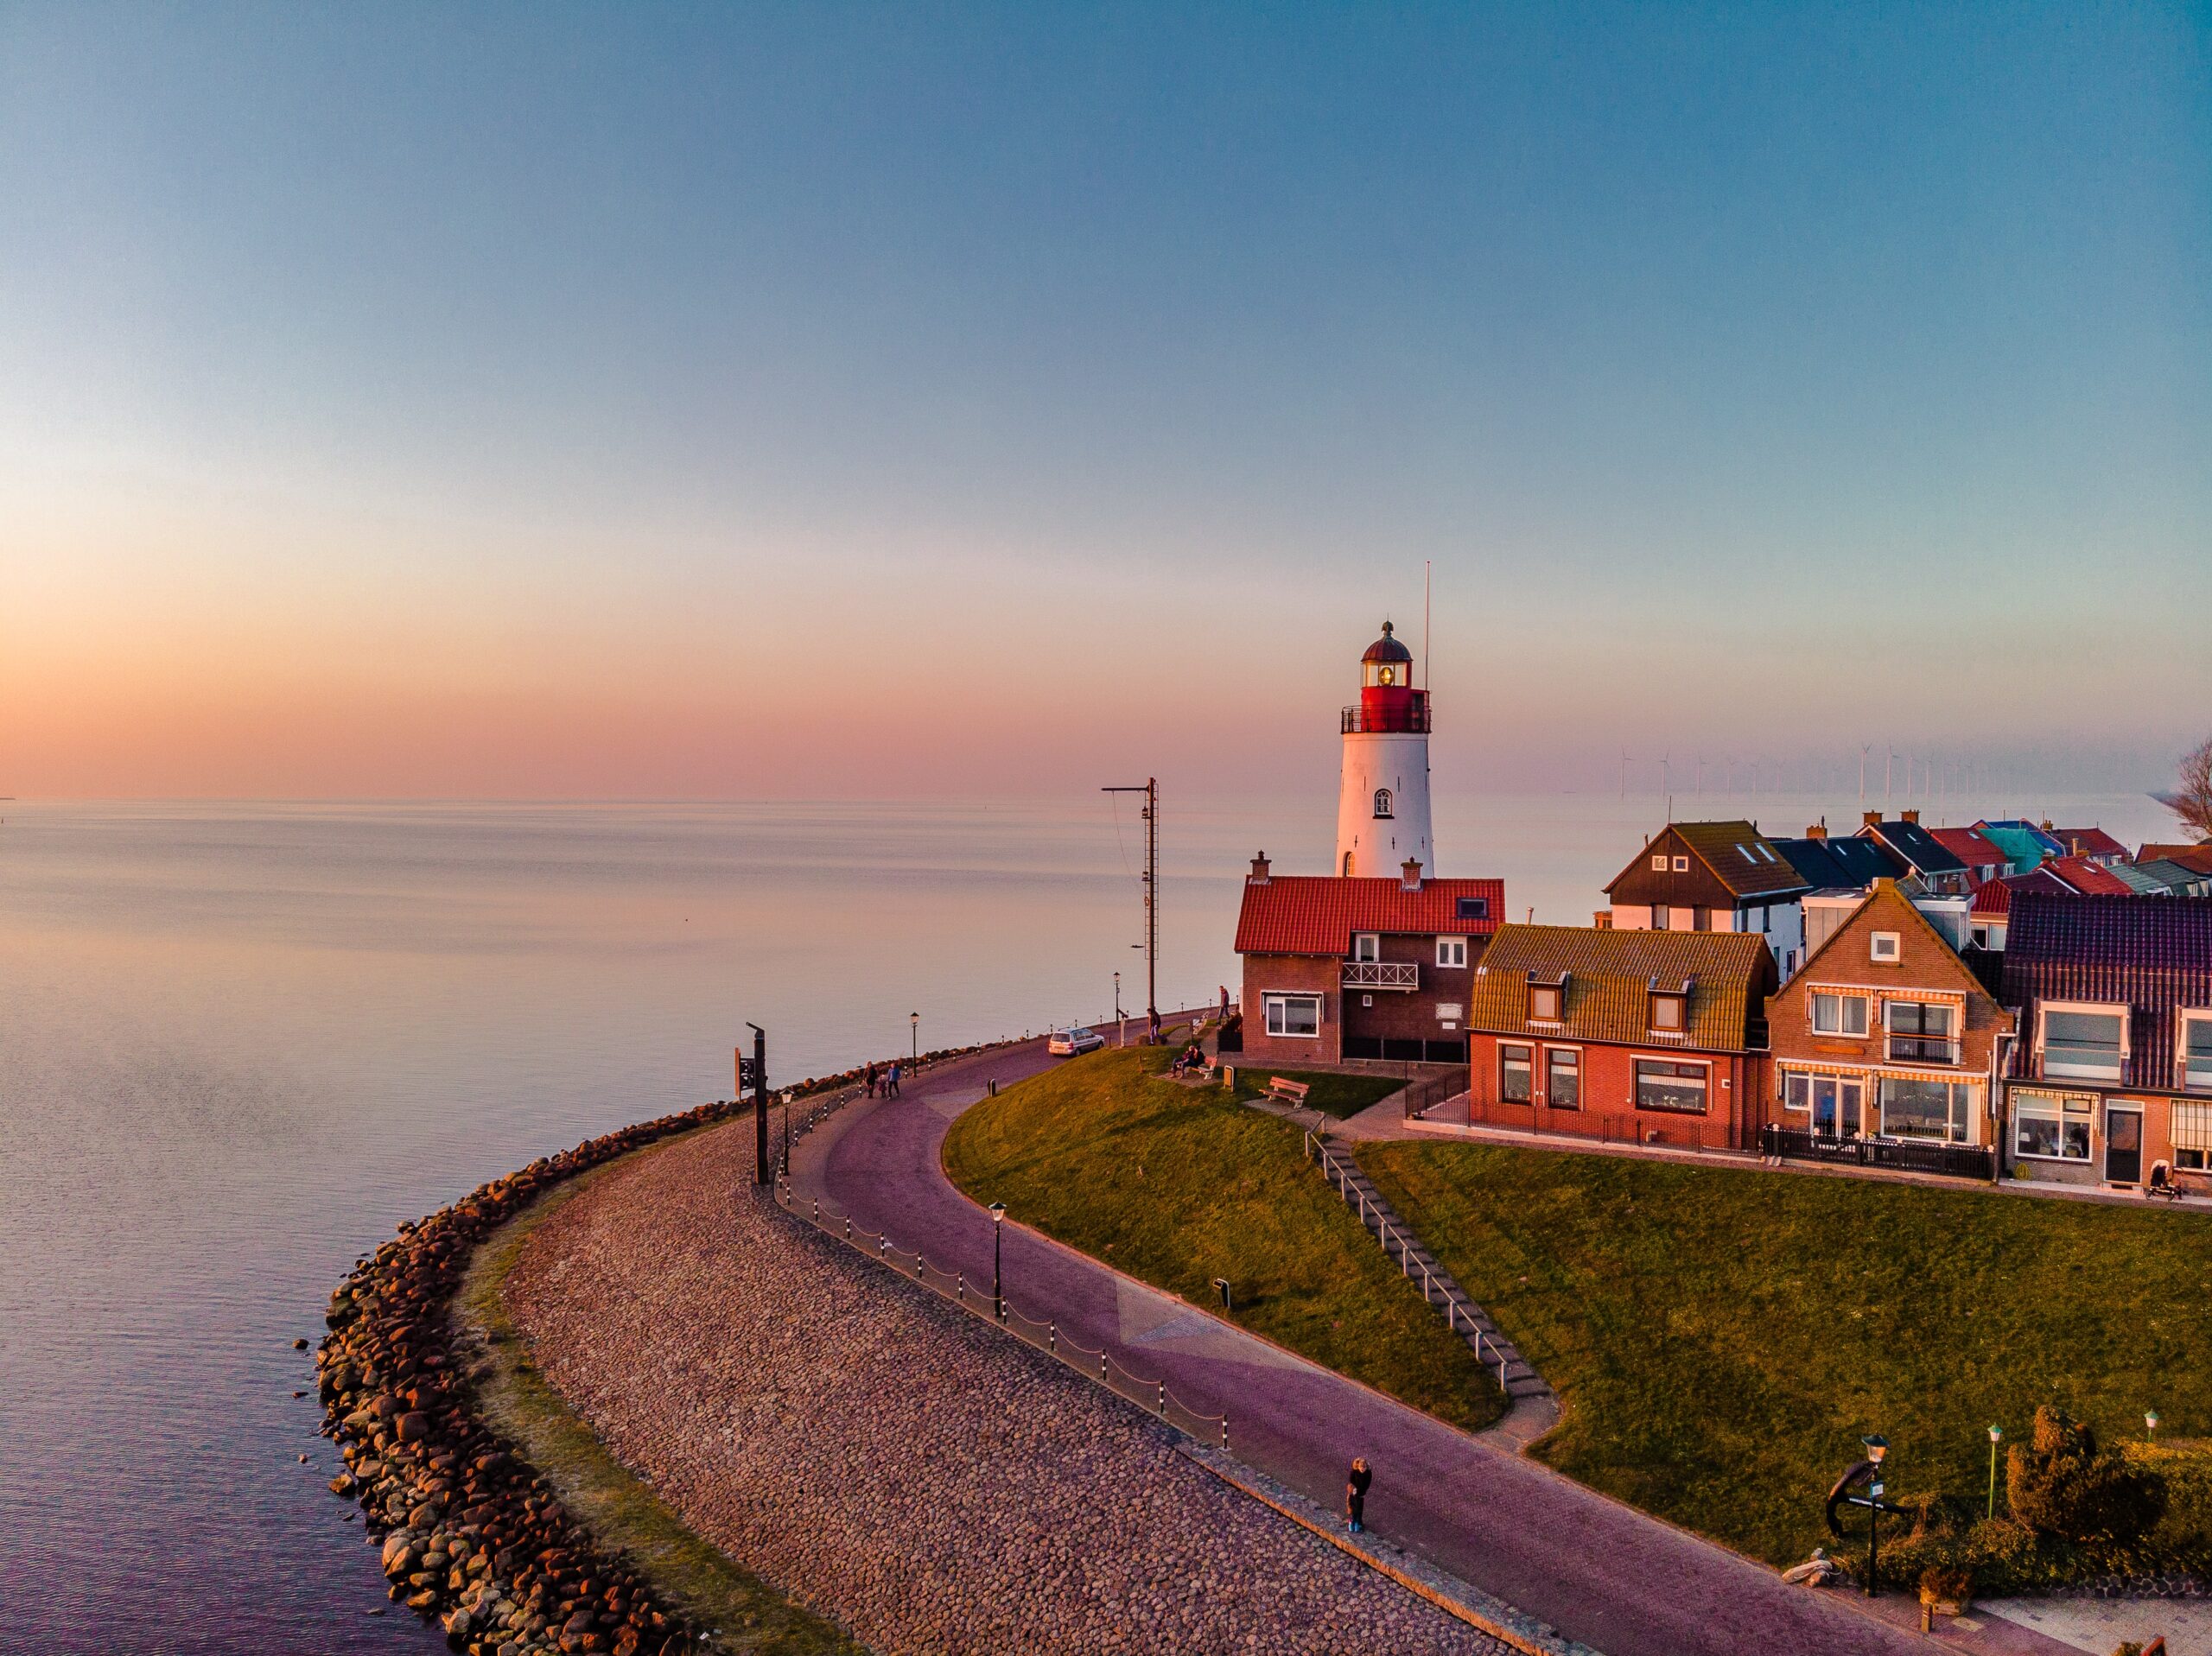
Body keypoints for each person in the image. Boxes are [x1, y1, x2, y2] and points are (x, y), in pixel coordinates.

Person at [1346, 1457, 1372, 1533]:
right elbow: (1351, 1480)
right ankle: (1352, 1522)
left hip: (1361, 1493)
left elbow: (1368, 1483)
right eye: (1361, 1467)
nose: (1362, 1469)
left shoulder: (1368, 1473)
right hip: (1354, 1492)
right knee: (1353, 1508)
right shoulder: (1354, 1471)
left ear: (1366, 1467)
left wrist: (1363, 1492)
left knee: (1360, 1508)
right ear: (1358, 1466)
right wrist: (1353, 1490)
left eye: (1364, 1468)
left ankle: (1358, 1522)